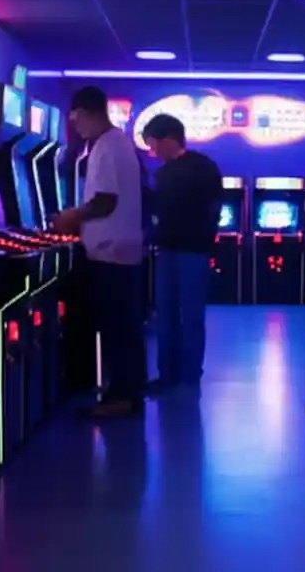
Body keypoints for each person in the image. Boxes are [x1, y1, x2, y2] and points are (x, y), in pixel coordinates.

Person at [51, 86, 147, 418]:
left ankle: (122, 396)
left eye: (75, 119)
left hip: (111, 251)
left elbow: (105, 201)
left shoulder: (106, 146)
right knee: (125, 326)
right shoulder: (117, 142)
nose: (76, 127)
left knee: (117, 327)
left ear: (86, 112)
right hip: (121, 249)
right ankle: (127, 391)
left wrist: (72, 217)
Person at [141, 113, 223, 399]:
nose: (152, 152)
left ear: (169, 139)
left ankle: (188, 375)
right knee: (166, 315)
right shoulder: (165, 172)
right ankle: (169, 375)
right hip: (169, 251)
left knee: (190, 317)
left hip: (192, 252)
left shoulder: (202, 169)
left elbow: (213, 210)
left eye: (153, 144)